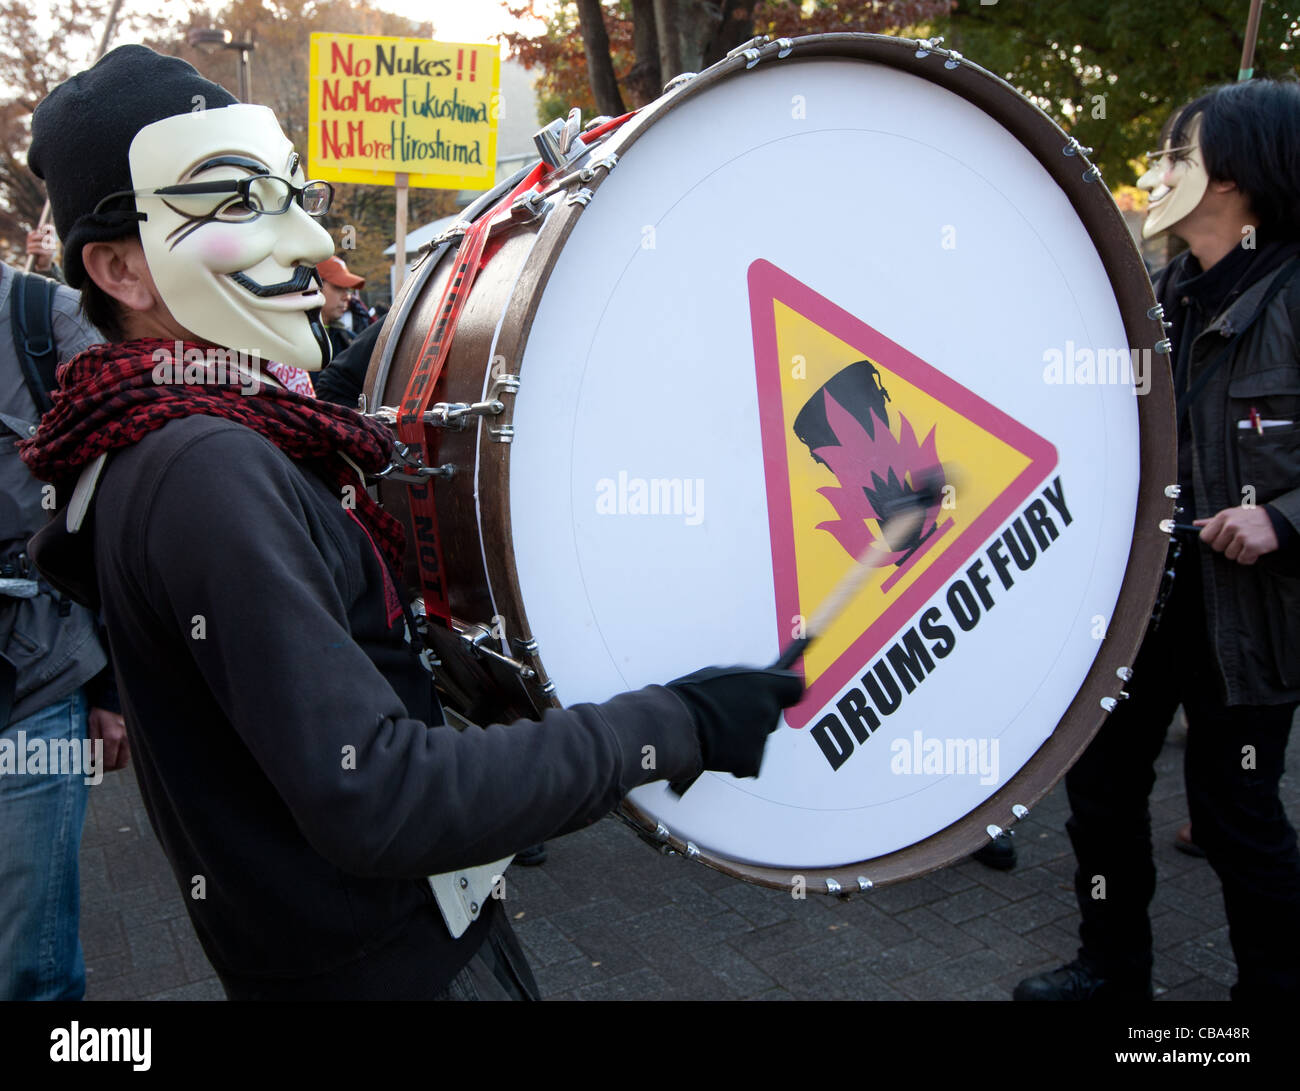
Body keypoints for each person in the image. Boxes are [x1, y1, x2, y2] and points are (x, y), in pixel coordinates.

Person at [21, 44, 801, 1001]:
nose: (310, 240)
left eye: (292, 194)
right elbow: (379, 794)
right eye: (238, 203)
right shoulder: (203, 468)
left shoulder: (167, 434)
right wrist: (676, 722)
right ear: (120, 269)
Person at [1015, 78, 1300, 1001]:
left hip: (1247, 618)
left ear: (1237, 175)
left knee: (1235, 815)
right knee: (1099, 790)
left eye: (1181, 153)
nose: (1159, 172)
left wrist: (1283, 517)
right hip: (1144, 602)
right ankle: (1111, 971)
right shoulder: (1162, 292)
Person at [0, 254, 127, 1001]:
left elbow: (111, 510)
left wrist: (110, 689)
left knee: (32, 963)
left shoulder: (44, 316)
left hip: (37, 679)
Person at [316, 255, 362, 357]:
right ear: (315, 287)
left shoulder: (349, 341)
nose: (347, 297)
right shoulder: (290, 340)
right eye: (338, 287)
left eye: (347, 289)